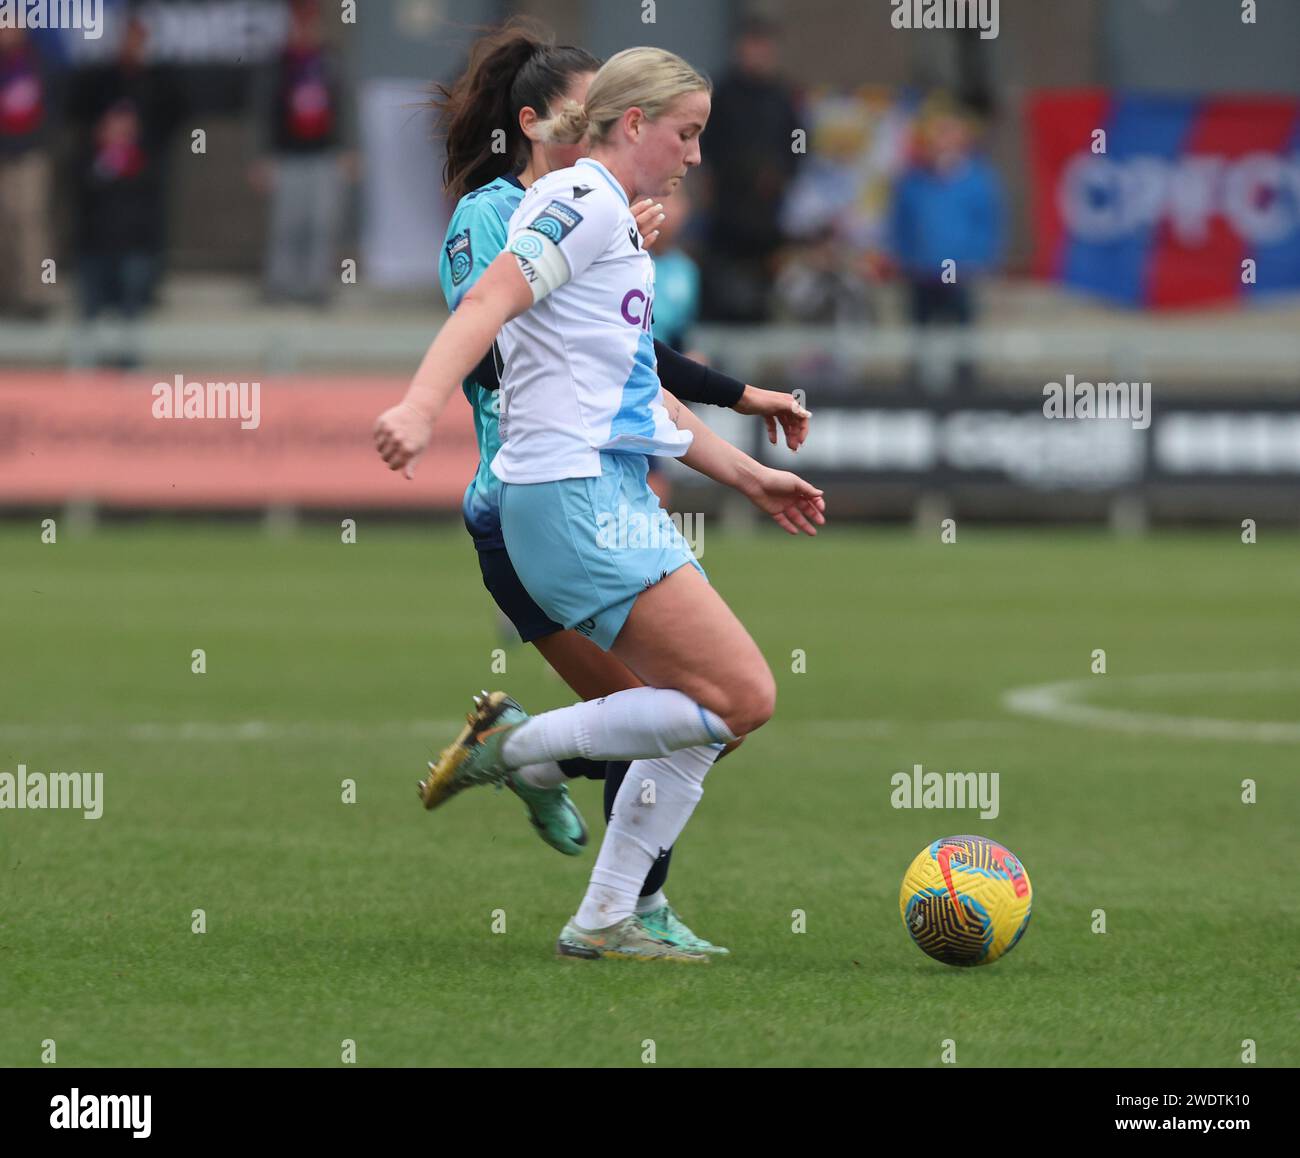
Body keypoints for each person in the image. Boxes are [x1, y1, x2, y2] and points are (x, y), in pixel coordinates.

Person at [376, 46, 825, 963]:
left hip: (604, 493)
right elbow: (483, 304)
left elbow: (637, 390)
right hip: (569, 497)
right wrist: (420, 407)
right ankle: (519, 751)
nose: (694, 155)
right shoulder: (583, 203)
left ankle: (610, 914)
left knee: (699, 716)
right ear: (635, 123)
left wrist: (749, 474)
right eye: (686, 134)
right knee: (739, 696)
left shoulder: (606, 217)